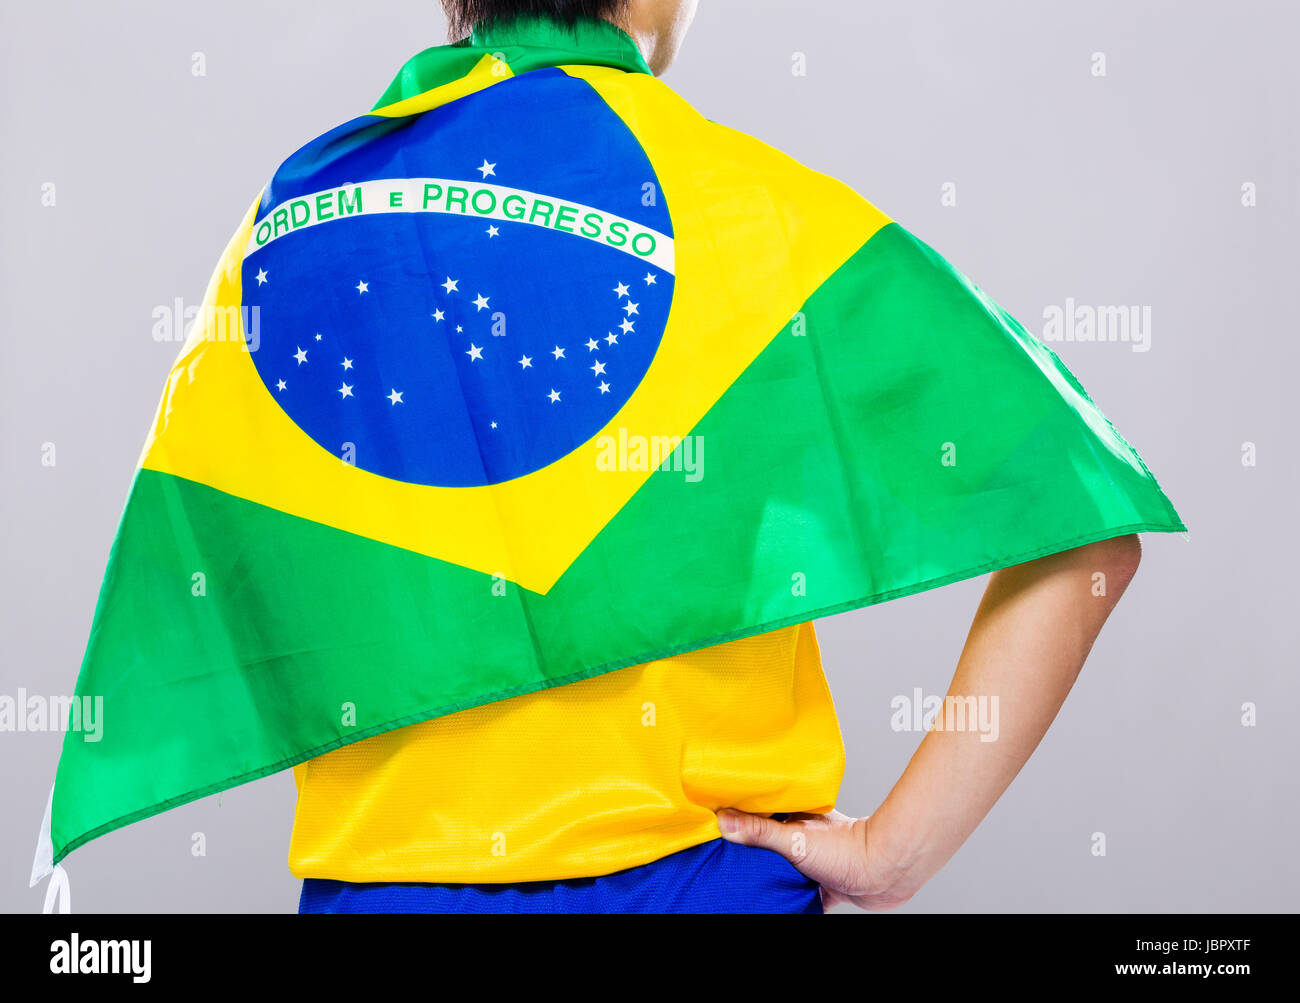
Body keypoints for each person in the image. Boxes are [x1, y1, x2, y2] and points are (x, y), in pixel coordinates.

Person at [286, 0, 1152, 914]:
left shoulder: (295, 229)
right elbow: (1087, 528)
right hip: (700, 886)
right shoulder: (763, 223)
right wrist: (894, 855)